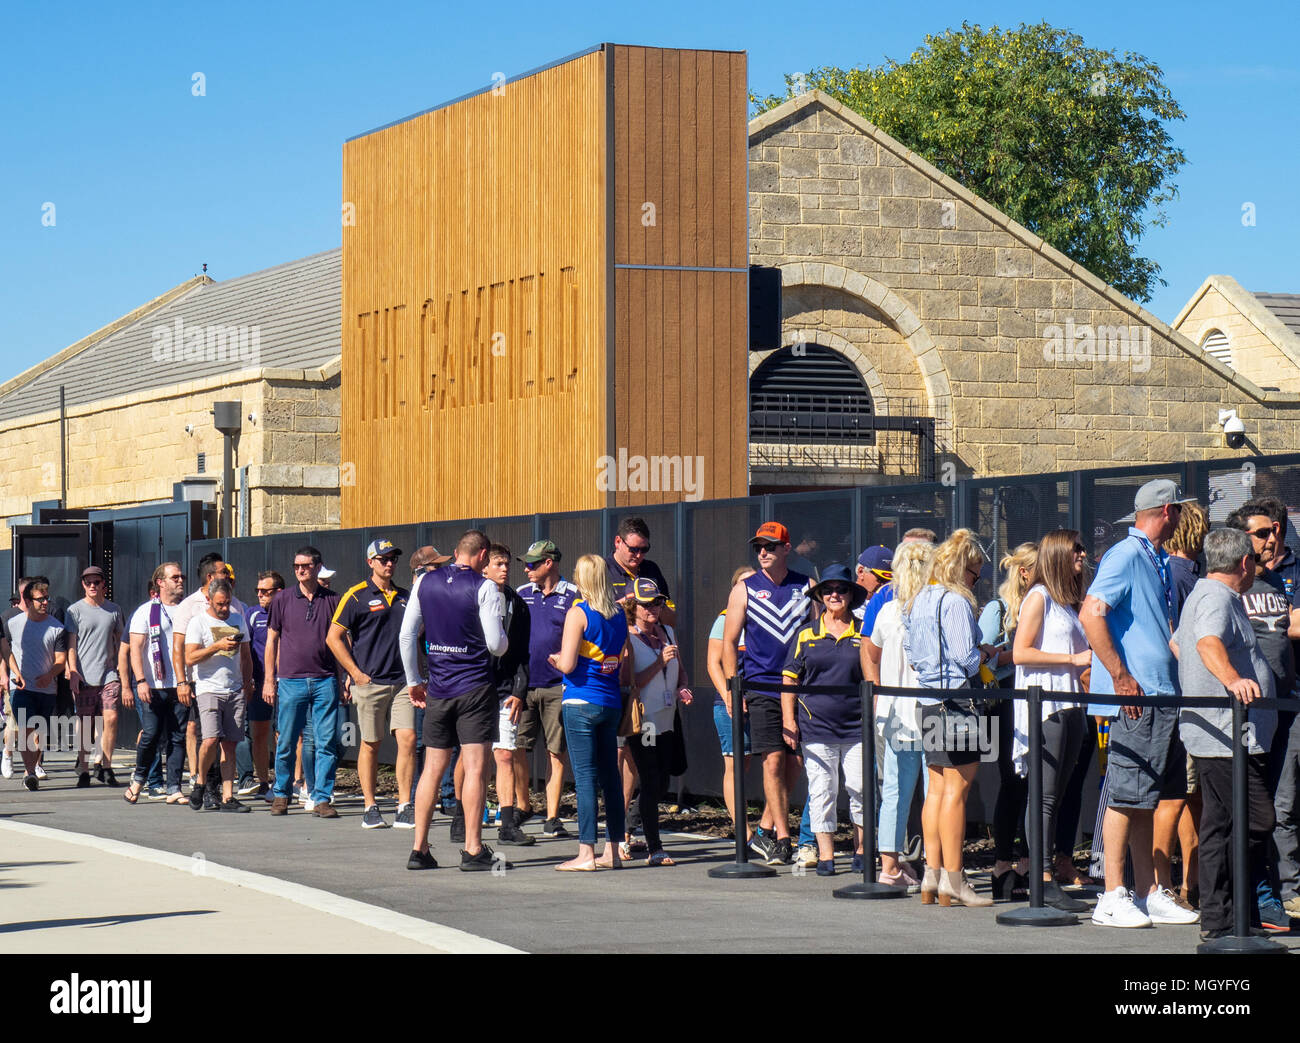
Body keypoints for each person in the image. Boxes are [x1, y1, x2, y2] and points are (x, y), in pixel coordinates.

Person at [1081, 478, 1200, 928]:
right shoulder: (1128, 555)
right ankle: (1112, 894)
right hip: (1139, 697)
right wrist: (1121, 677)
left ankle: (1149, 891)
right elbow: (1092, 612)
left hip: (1160, 695)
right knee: (1127, 796)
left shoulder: (1153, 558)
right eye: (1181, 510)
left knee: (1147, 798)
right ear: (1168, 511)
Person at [1171, 526, 1277, 941]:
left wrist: (1201, 681)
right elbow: (1206, 643)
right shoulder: (1217, 598)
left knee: (1222, 823)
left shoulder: (1205, 594)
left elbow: (1178, 643)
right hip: (1225, 736)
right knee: (1254, 819)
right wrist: (1233, 680)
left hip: (1223, 734)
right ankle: (1225, 918)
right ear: (1245, 563)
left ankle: (1228, 919)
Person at [400, 530, 510, 872]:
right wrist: (505, 637)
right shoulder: (485, 587)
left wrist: (414, 681)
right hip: (474, 687)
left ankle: (419, 848)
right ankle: (473, 849)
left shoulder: (425, 582)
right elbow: (495, 644)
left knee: (432, 767)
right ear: (482, 556)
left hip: (439, 687)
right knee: (476, 768)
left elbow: (406, 635)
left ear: (456, 552)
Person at [901, 529, 998, 907]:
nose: (977, 580)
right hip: (959, 700)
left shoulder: (917, 599)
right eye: (975, 573)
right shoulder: (956, 602)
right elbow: (966, 657)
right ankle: (954, 881)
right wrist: (988, 653)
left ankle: (932, 874)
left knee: (937, 789)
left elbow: (912, 653)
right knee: (957, 792)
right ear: (963, 568)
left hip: (927, 699)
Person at [722, 522, 814, 866]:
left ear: (786, 549)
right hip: (760, 686)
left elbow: (816, 636)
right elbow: (729, 643)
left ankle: (765, 826)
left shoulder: (807, 586)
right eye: (759, 546)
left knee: (797, 761)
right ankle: (783, 838)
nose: (763, 552)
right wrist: (734, 688)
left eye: (771, 546)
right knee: (772, 760)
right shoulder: (744, 589)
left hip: (800, 689)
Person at [1011, 529, 1092, 913]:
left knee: (1055, 796)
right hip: (1046, 706)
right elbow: (1020, 653)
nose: (1083, 553)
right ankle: (1041, 878)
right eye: (1076, 548)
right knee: (1043, 797)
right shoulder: (1039, 597)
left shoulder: (1065, 600)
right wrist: (1073, 661)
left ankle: (1047, 876)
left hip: (1071, 704)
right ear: (1059, 553)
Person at [1225, 503, 1297, 930]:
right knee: (1253, 812)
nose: (1271, 539)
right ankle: (1254, 897)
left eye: (1273, 532)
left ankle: (1269, 894)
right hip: (1246, 715)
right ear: (1240, 541)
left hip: (1283, 710)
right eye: (1260, 534)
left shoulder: (1275, 581)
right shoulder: (1229, 587)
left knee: (1278, 805)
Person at [782, 564, 865, 876]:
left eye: (841, 589)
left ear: (850, 595)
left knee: (860, 789)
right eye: (828, 590)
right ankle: (827, 856)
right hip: (816, 727)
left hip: (858, 727)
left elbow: (875, 675)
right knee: (822, 790)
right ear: (819, 596)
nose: (834, 595)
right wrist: (789, 721)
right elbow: (789, 679)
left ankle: (860, 852)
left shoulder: (863, 631)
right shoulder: (806, 634)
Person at [327, 539, 416, 830]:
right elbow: (333, 637)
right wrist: (355, 672)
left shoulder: (406, 596)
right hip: (371, 682)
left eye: (392, 559)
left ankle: (404, 805)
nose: (389, 564)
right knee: (370, 743)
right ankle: (370, 806)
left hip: (403, 682)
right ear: (370, 563)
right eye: (383, 559)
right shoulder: (356, 596)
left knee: (408, 739)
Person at [550, 554, 629, 872]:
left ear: (582, 580)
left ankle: (586, 853)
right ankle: (612, 850)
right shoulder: (619, 614)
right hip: (610, 702)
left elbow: (568, 664)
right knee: (611, 777)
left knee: (584, 778)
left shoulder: (578, 613)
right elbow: (619, 659)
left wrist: (555, 660)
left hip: (581, 700)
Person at [864, 538, 934, 887]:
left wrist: (878, 687)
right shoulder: (937, 606)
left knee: (894, 790)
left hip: (894, 712)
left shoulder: (887, 610)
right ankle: (936, 867)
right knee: (936, 792)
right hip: (932, 710)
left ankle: (889, 867)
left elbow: (871, 652)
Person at [264, 546, 343, 818]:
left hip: (325, 680)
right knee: (286, 741)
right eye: (297, 565)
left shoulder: (333, 599)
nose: (300, 570)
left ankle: (321, 798)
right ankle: (282, 794)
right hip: (290, 681)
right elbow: (271, 640)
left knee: (326, 742)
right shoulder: (282, 599)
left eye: (306, 565)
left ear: (317, 567)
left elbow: (345, 640)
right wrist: (268, 680)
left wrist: (345, 678)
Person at [980, 542, 1036, 898]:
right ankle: (1002, 864)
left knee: (1035, 786)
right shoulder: (997, 608)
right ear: (1023, 572)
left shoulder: (1048, 604)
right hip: (1004, 702)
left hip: (1035, 700)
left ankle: (1030, 863)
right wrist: (1013, 656)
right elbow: (979, 659)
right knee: (1011, 783)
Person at [623, 577, 692, 866]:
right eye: (647, 603)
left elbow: (682, 670)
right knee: (651, 780)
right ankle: (655, 846)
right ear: (633, 606)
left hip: (667, 717)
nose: (653, 608)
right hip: (644, 721)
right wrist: (660, 663)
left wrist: (682, 687)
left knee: (663, 780)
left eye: (658, 602)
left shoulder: (668, 632)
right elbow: (631, 681)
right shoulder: (627, 636)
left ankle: (628, 827)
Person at [172, 553, 248, 808]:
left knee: (230, 743)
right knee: (210, 739)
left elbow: (246, 656)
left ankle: (228, 795)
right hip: (208, 688)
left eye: (227, 603)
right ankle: (200, 781)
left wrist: (247, 684)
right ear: (209, 600)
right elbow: (189, 656)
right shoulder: (197, 621)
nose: (225, 609)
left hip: (234, 688)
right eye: (220, 605)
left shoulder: (238, 618)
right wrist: (216, 646)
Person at [516, 539, 579, 838]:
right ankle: (522, 805)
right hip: (524, 686)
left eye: (532, 563)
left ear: (549, 563)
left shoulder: (573, 596)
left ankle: (552, 815)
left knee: (556, 751)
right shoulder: (521, 594)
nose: (526, 569)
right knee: (516, 747)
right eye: (526, 564)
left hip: (558, 686)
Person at [123, 563, 189, 805]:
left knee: (177, 737)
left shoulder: (188, 610)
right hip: (152, 685)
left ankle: (174, 787)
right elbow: (135, 650)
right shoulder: (145, 612)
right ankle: (139, 779)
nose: (180, 580)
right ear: (160, 582)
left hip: (180, 684)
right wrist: (139, 681)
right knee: (151, 735)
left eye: (181, 577)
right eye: (174, 577)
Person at [484, 543, 534, 846]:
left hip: (505, 692)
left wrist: (519, 690)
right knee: (471, 757)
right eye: (498, 564)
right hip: (473, 689)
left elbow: (522, 654)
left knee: (504, 754)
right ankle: (462, 818)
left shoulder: (519, 604)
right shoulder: (471, 598)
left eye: (507, 564)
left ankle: (506, 824)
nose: (504, 569)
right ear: (484, 566)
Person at [64, 566, 126, 787]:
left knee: (110, 718)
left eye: (96, 582)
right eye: (88, 582)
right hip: (83, 675)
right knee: (86, 723)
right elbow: (71, 644)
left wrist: (121, 667)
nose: (92, 586)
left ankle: (107, 766)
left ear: (103, 585)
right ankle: (84, 766)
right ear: (83, 584)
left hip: (109, 674)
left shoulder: (114, 610)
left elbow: (121, 640)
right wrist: (72, 671)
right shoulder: (74, 611)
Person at [707, 566, 755, 843]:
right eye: (742, 585)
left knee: (759, 765)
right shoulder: (724, 620)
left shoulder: (765, 622)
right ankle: (744, 833)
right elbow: (713, 663)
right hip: (729, 703)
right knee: (735, 765)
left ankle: (765, 829)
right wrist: (729, 695)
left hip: (762, 702)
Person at [6, 579, 67, 791]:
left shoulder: (57, 628)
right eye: (40, 599)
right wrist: (8, 675)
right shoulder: (12, 623)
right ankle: (30, 772)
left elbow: (61, 660)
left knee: (39, 730)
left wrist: (49, 675)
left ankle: (30, 768)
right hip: (21, 687)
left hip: (46, 688)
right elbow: (4, 650)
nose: (45, 603)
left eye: (46, 598)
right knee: (26, 729)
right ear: (28, 601)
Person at [239, 570, 283, 799]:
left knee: (285, 733)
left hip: (285, 681)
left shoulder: (288, 610)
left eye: (265, 592)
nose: (260, 596)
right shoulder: (252, 614)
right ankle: (263, 781)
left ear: (279, 592)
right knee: (259, 731)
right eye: (258, 591)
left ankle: (286, 780)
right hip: (259, 683)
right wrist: (248, 681)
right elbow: (244, 649)